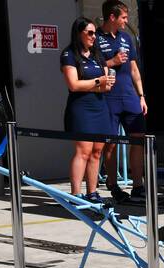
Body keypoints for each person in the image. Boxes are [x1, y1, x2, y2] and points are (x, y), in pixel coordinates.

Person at [60, 17, 115, 204]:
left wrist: (93, 84)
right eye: (89, 33)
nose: (94, 36)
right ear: (79, 33)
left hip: (100, 107)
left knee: (96, 152)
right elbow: (74, 85)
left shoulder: (97, 55)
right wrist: (97, 82)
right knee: (83, 151)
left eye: (95, 33)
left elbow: (107, 86)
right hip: (81, 108)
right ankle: (75, 195)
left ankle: (92, 192)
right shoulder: (69, 54)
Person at [96, 1, 146, 204]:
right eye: (124, 17)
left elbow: (134, 68)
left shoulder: (126, 37)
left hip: (129, 95)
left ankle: (138, 185)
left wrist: (141, 95)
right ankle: (112, 183)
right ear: (112, 17)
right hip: (108, 97)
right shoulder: (96, 37)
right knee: (111, 143)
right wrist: (111, 62)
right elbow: (90, 66)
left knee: (138, 139)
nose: (126, 21)